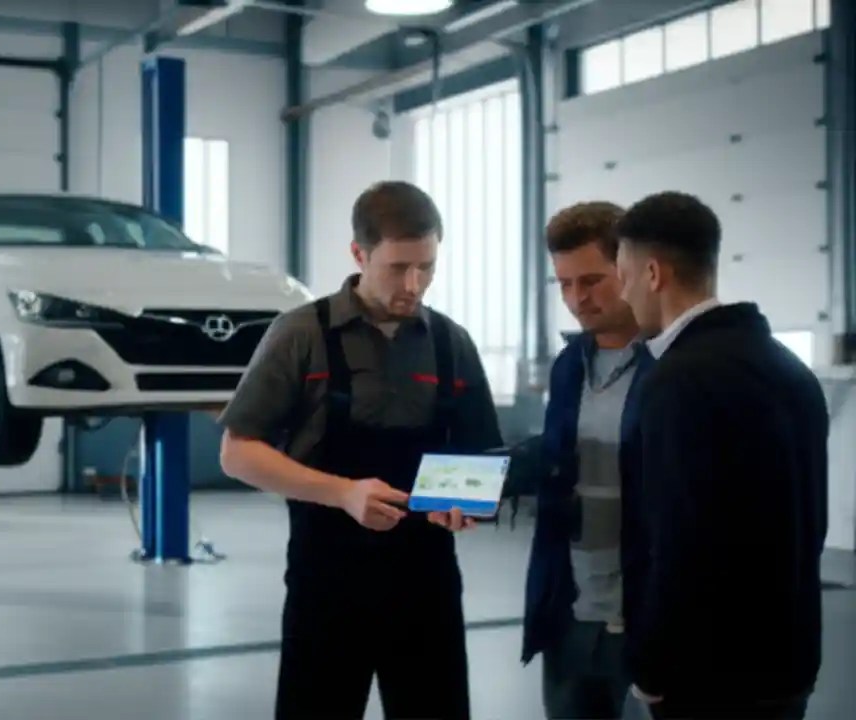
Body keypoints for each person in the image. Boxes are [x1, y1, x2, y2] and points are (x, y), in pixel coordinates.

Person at [218, 180, 503, 720]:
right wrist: (343, 493)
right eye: (398, 268)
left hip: (427, 585)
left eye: (427, 267)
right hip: (327, 584)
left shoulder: (451, 343)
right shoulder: (301, 335)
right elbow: (238, 453)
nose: (414, 284)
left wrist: (467, 502)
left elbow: (481, 456)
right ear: (359, 254)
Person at [613, 191, 829, 720]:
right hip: (788, 662)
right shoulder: (790, 370)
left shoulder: (676, 382)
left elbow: (675, 542)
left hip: (705, 674)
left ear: (653, 274)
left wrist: (651, 666)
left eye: (623, 276)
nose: (623, 293)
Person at [516, 201, 652, 720]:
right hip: (570, 611)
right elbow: (558, 457)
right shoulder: (570, 364)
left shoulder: (673, 366)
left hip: (646, 616)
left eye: (592, 281)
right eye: (565, 284)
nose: (577, 299)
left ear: (631, 269)